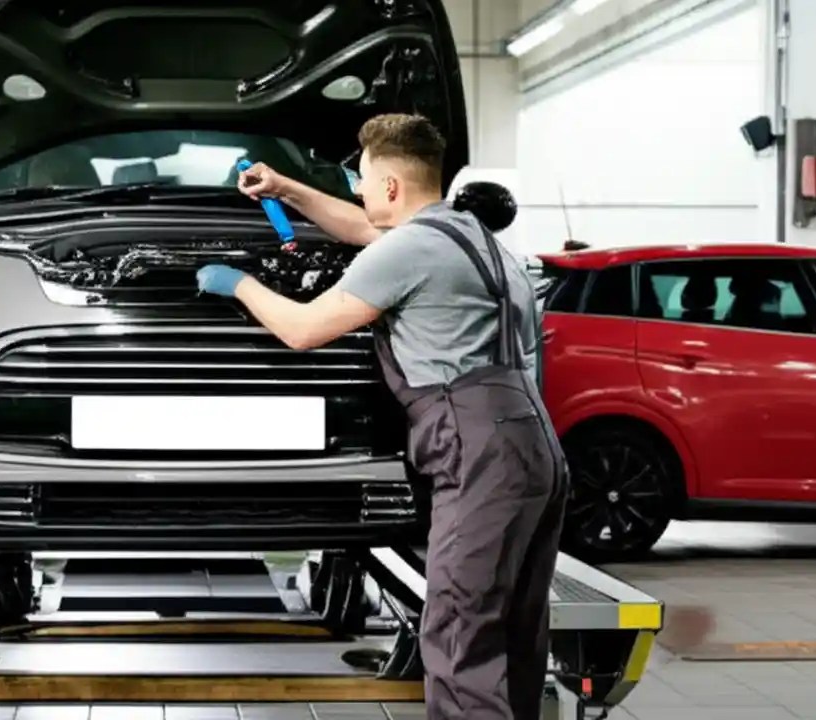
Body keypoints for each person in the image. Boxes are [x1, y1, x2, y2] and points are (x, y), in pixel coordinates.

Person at [195, 113, 568, 720]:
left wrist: (238, 285)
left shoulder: (410, 248)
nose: (358, 194)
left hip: (477, 446)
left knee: (460, 633)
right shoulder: (475, 240)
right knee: (515, 633)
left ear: (390, 187)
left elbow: (303, 329)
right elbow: (360, 228)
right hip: (534, 441)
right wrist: (284, 188)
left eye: (364, 182)